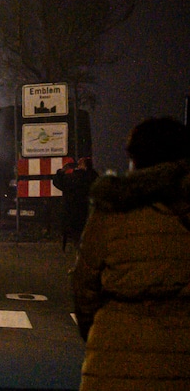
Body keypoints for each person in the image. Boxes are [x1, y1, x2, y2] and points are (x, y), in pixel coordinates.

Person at [70, 117, 190, 390]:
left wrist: (99, 332)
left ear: (135, 159)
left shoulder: (113, 208)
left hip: (114, 354)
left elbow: (84, 284)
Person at [54, 157, 96, 249]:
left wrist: (62, 171)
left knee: (76, 233)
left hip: (72, 210)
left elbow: (58, 182)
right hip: (87, 209)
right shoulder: (93, 177)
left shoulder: (73, 178)